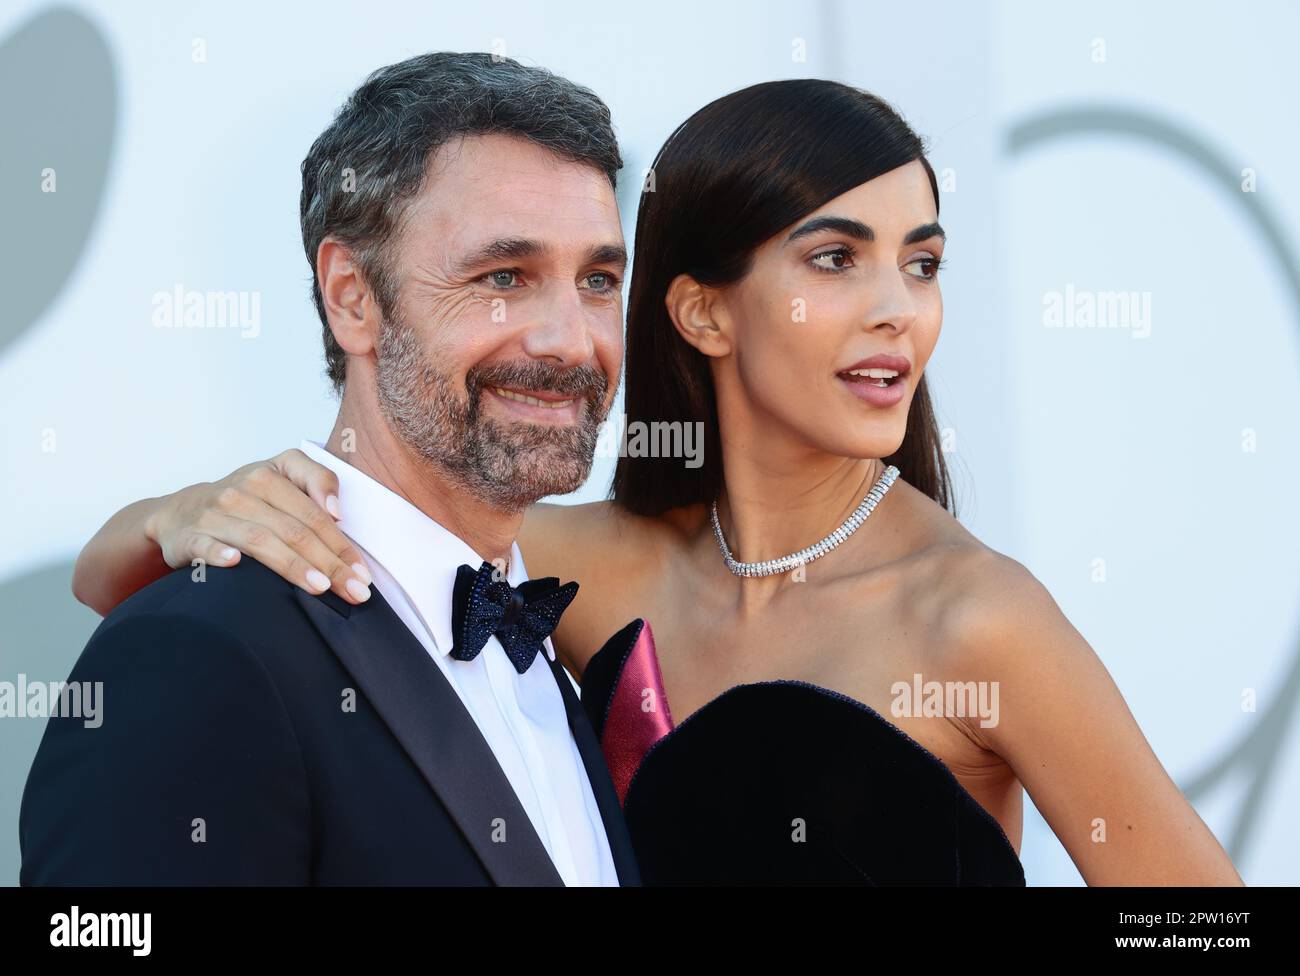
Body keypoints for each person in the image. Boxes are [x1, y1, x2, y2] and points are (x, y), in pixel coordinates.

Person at [66, 78, 1244, 885]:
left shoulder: (977, 617)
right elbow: (275, 568)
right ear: (701, 313)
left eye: (922, 262)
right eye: (836, 258)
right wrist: (171, 515)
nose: (899, 308)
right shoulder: (573, 561)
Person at [20, 52, 641, 886]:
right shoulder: (197, 649)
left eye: (598, 279)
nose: (571, 340)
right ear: (353, 296)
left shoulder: (552, 645)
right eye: (503, 277)